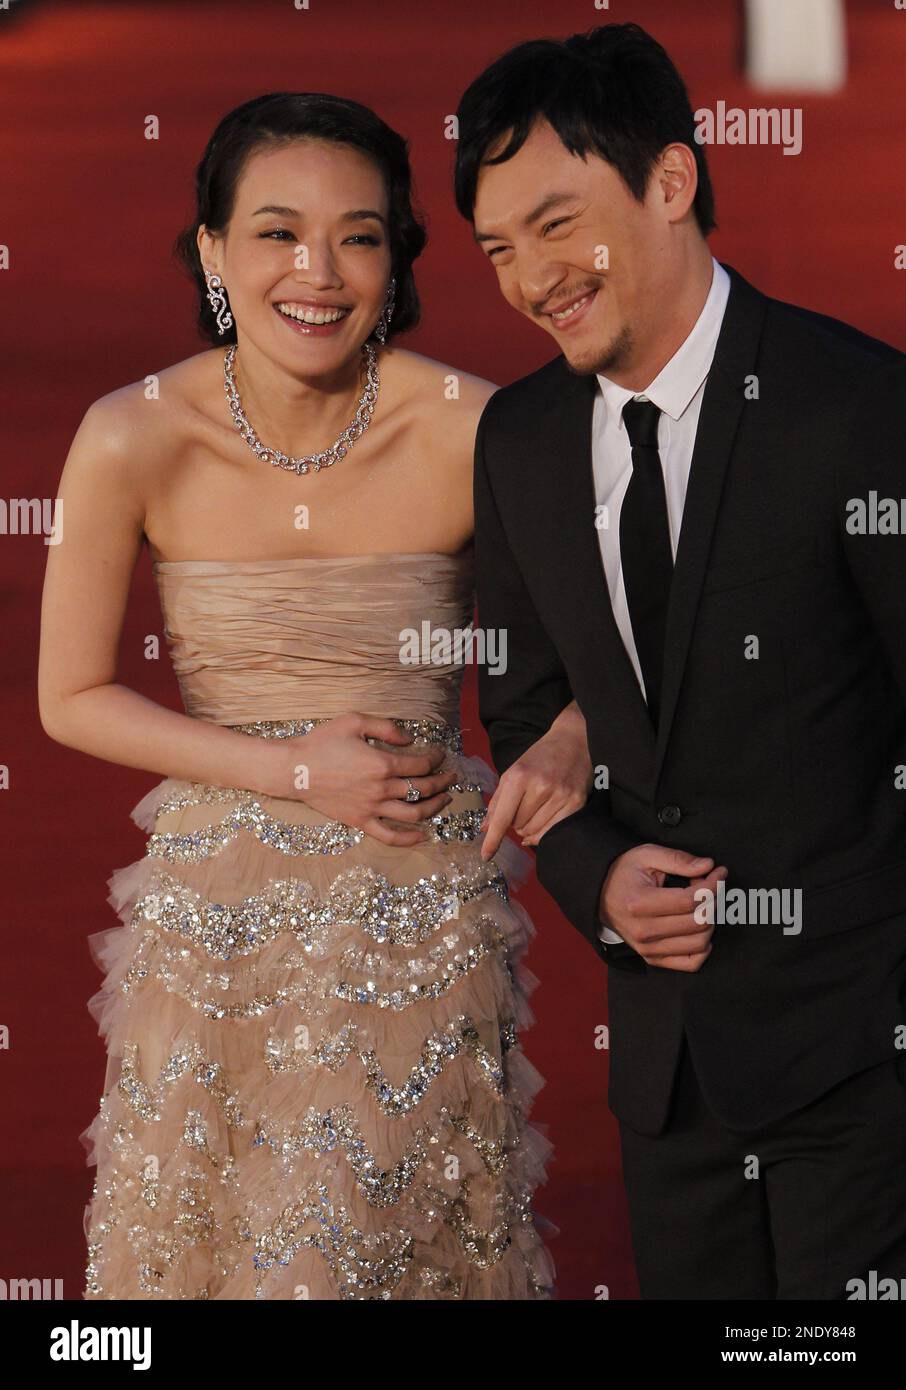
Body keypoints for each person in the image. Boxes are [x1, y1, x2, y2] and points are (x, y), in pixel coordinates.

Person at [38, 91, 594, 1300]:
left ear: (397, 259)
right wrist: (290, 771)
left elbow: (600, 660)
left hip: (410, 907)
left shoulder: (472, 430)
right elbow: (69, 695)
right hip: (208, 920)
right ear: (211, 252)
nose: (317, 272)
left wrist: (567, 740)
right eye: (277, 233)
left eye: (360, 235)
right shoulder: (131, 432)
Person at [455, 23, 906, 1299]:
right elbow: (530, 705)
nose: (532, 278)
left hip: (858, 1059)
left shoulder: (857, 410)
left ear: (670, 181)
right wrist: (599, 882)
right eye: (498, 249)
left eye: (556, 225)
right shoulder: (525, 439)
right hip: (667, 1074)